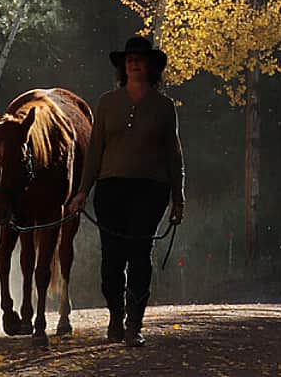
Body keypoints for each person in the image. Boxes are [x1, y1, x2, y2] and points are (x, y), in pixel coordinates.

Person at [66, 35, 185, 347]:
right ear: (123, 66)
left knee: (140, 253)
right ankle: (116, 316)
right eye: (129, 59)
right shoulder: (107, 103)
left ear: (150, 66)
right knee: (112, 258)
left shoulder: (164, 107)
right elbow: (95, 152)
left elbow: (174, 154)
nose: (133, 63)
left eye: (139, 59)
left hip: (151, 189)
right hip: (111, 188)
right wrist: (81, 191)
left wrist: (178, 198)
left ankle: (135, 324)